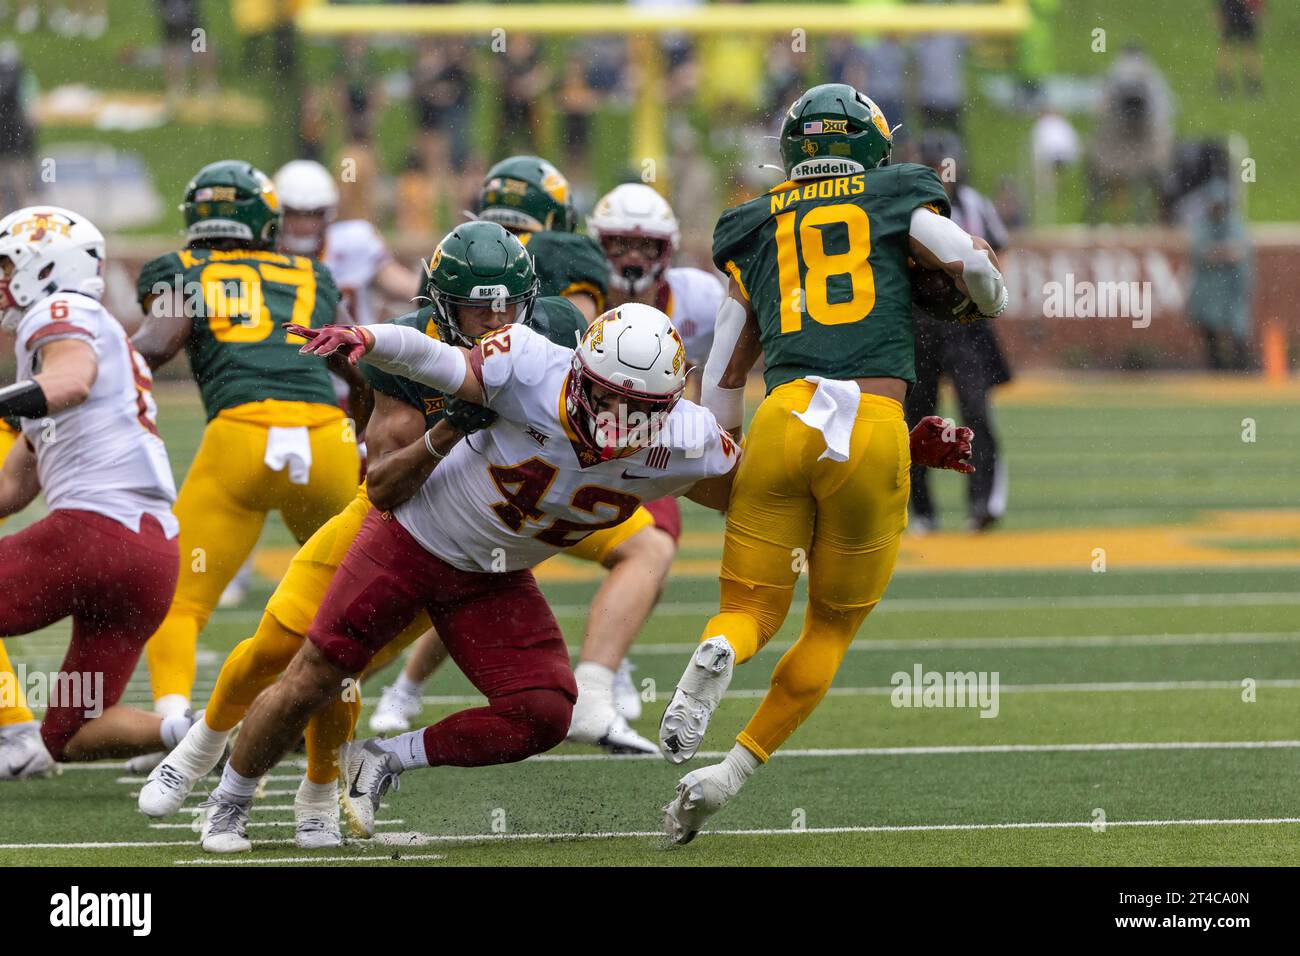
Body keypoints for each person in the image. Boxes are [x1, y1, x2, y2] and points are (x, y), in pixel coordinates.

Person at [192, 300, 743, 853]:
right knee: (314, 675)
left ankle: (385, 758)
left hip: (492, 579)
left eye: (636, 409)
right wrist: (369, 338)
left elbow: (746, 494)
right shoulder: (529, 365)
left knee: (544, 711)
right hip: (410, 541)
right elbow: (435, 359)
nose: (614, 419)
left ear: (670, 405)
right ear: (579, 372)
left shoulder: (689, 443)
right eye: (605, 398)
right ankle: (228, 805)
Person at [658, 83, 1001, 844]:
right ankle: (729, 773)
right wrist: (989, 292)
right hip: (875, 423)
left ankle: (720, 649)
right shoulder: (898, 191)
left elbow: (718, 396)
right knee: (832, 627)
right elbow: (966, 261)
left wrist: (731, 476)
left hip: (783, 416)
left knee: (750, 610)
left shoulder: (754, 224)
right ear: (872, 143)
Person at [130, 161, 360, 748]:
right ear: (266, 220)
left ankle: (177, 725)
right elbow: (356, 359)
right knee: (348, 603)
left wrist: (97, 364)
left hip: (242, 437)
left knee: (179, 601)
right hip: (326, 439)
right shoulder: (308, 273)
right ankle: (321, 740)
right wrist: (365, 435)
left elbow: (156, 345)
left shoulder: (183, 270)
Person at [0, 206, 188, 776]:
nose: (2, 282)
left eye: (8, 267)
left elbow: (70, 381)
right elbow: (13, 484)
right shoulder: (103, 339)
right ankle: (199, 731)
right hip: (152, 557)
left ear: (44, 266)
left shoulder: (60, 312)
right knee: (71, 733)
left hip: (95, 533)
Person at [907, 130, 1013, 533]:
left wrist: (982, 296)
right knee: (917, 416)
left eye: (944, 167)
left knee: (977, 411)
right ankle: (923, 510)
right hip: (921, 324)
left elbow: (996, 253)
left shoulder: (973, 205)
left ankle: (983, 502)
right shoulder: (909, 209)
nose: (942, 176)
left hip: (965, 326)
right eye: (934, 168)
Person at [1188, 179, 1253, 370]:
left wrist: (1219, 253)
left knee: (1238, 326)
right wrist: (1222, 253)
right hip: (1209, 286)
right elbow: (1200, 252)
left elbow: (1239, 251)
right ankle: (1217, 366)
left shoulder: (1234, 223)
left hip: (1232, 285)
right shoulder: (1202, 225)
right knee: (1209, 326)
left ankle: (1241, 366)